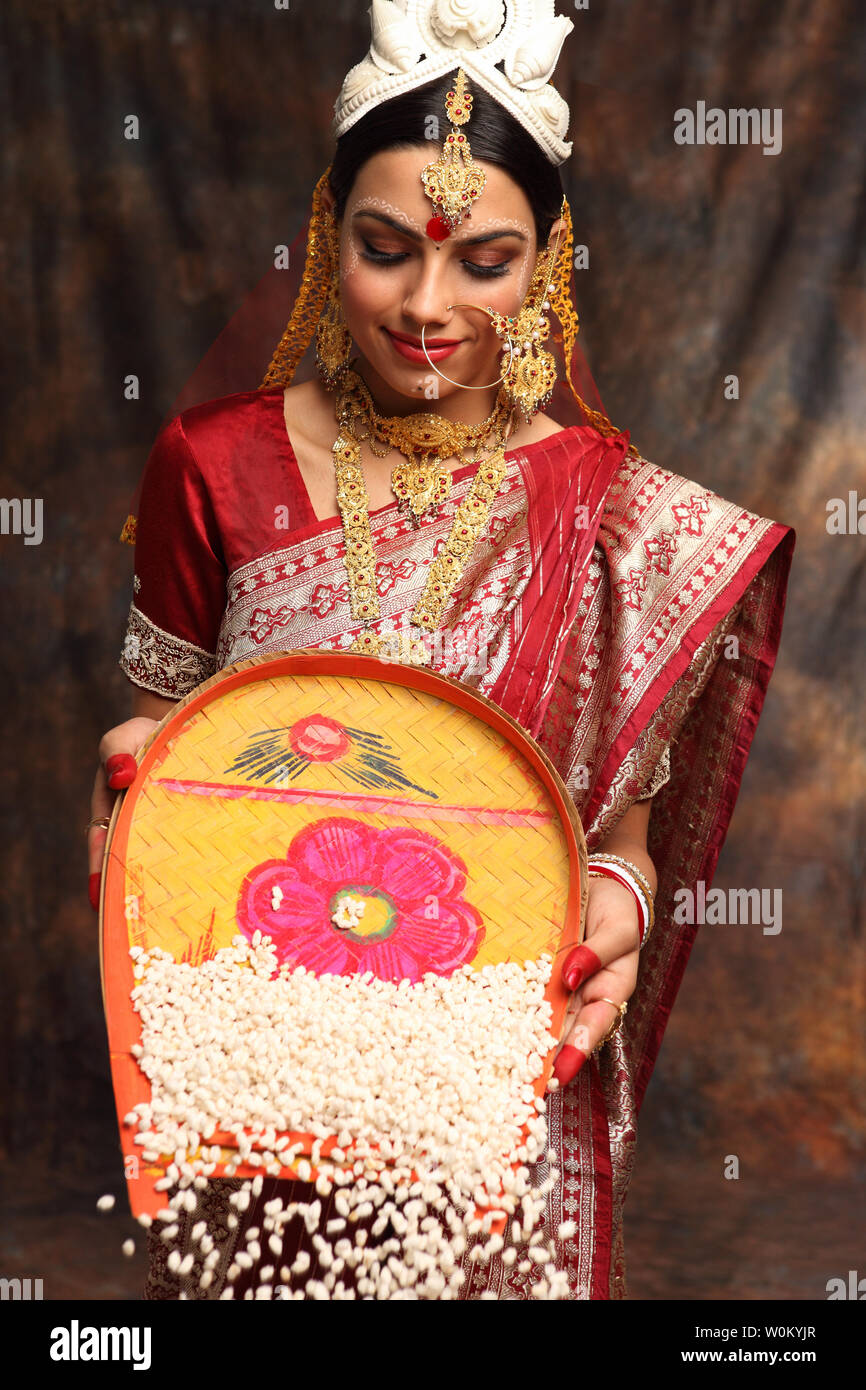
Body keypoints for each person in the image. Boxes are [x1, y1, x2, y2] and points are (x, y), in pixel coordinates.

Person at [87, 1, 794, 1300]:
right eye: (382, 250)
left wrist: (607, 925)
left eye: (484, 260)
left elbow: (616, 856)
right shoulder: (212, 467)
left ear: (545, 262)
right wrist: (128, 797)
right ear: (324, 237)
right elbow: (154, 771)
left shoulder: (612, 519)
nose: (425, 305)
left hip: (483, 1090)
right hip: (265, 1074)